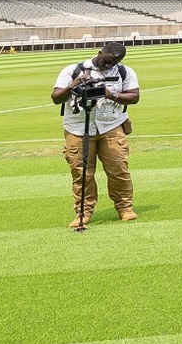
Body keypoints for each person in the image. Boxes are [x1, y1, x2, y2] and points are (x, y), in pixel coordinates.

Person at [51, 40, 140, 230]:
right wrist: (73, 86)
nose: (108, 66)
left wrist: (110, 94)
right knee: (81, 173)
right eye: (105, 61)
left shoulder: (125, 72)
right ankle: (83, 213)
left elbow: (134, 97)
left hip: (112, 125)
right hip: (78, 128)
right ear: (100, 52)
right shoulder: (73, 70)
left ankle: (125, 207)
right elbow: (55, 97)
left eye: (112, 63)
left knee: (118, 169)